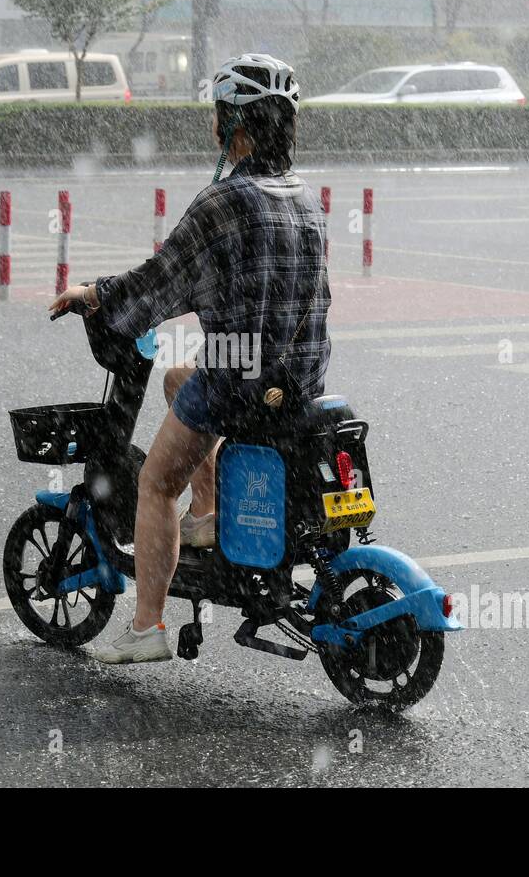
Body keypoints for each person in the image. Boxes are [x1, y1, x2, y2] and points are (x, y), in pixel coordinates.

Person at [48, 53, 331, 664]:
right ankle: (206, 519)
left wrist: (94, 295)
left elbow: (158, 281)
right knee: (181, 377)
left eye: (221, 116)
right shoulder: (305, 198)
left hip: (238, 385)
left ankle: (147, 627)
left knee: (154, 481)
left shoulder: (223, 203)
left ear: (234, 126)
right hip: (295, 383)